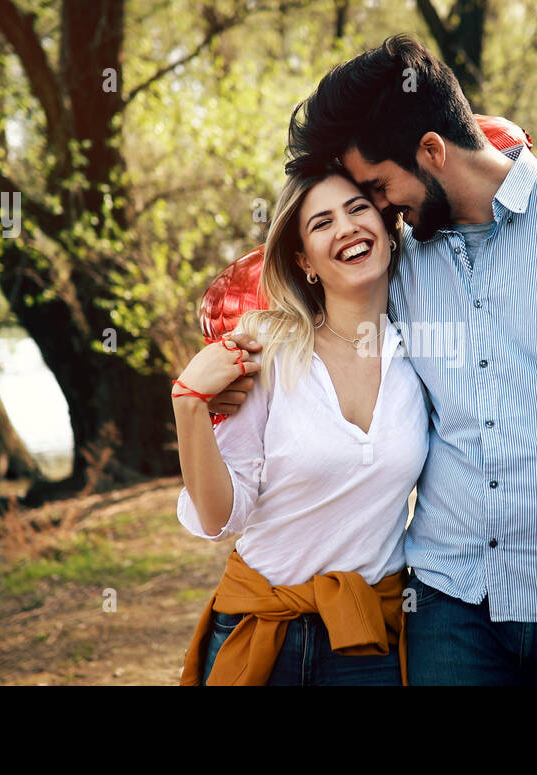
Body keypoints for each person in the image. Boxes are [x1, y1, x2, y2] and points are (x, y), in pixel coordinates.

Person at [213, 34, 537, 685]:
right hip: (449, 605)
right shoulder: (401, 258)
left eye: (378, 186)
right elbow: (309, 306)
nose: (381, 208)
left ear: (430, 151)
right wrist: (238, 375)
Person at [171, 158, 427, 685]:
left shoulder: (424, 358)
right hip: (261, 631)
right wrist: (188, 403)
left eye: (358, 209)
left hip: (367, 639)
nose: (347, 227)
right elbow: (221, 519)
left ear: (386, 228)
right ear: (304, 260)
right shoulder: (270, 352)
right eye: (322, 222)